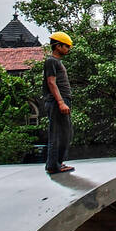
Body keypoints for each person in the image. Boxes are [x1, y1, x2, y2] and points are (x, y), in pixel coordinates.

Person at [43, 32, 74, 176]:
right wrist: (61, 102)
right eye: (66, 46)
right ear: (58, 46)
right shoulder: (51, 61)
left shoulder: (57, 62)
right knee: (57, 133)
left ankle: (57, 163)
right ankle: (53, 165)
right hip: (56, 101)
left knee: (65, 133)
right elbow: (51, 82)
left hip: (62, 100)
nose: (68, 49)